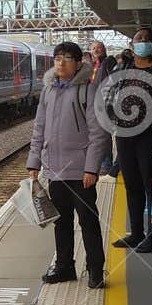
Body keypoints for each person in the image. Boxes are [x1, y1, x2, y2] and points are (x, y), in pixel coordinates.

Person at [27, 41, 107, 290]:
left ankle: (95, 268)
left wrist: (92, 168)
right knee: (60, 221)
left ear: (78, 62)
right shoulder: (49, 91)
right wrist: (34, 161)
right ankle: (64, 266)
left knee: (87, 220)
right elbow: (39, 128)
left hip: (81, 169)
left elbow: (99, 133)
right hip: (55, 168)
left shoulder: (88, 90)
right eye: (57, 58)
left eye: (66, 58)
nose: (60, 63)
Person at [102, 24, 152, 255]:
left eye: (147, 38)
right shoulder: (122, 69)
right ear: (132, 44)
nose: (142, 41)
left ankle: (151, 234)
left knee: (150, 185)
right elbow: (109, 97)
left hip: (151, 136)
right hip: (126, 136)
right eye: (139, 38)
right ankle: (136, 232)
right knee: (132, 183)